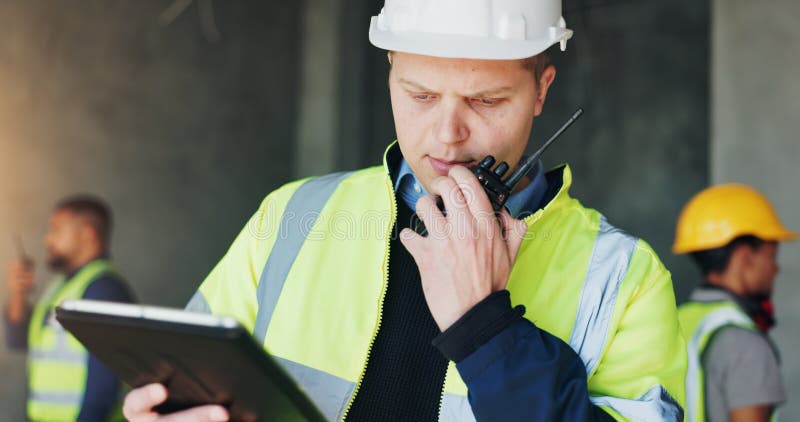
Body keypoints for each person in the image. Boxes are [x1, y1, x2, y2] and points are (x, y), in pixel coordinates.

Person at [123, 1, 686, 420]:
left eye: (486, 101)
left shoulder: (622, 277)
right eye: (418, 95)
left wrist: (489, 333)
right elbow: (186, 385)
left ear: (541, 91)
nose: (447, 134)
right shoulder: (291, 215)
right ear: (390, 67)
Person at [5, 195, 136, 421]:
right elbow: (18, 338)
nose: (47, 239)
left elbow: (103, 386)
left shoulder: (103, 291)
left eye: (56, 230)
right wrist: (18, 294)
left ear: (87, 234)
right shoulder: (61, 286)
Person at [674, 184, 797, 422]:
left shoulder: (678, 319)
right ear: (745, 258)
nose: (776, 268)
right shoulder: (745, 345)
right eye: (771, 256)